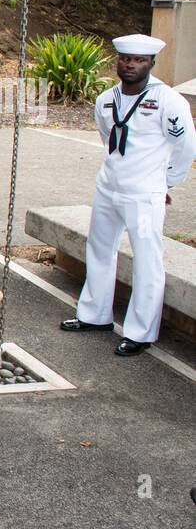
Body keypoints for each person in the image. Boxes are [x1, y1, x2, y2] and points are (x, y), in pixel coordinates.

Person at [61, 34, 195, 355]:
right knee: (99, 249)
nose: (130, 65)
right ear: (117, 61)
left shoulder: (168, 100)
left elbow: (186, 147)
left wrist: (167, 183)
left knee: (147, 260)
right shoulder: (106, 99)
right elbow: (108, 137)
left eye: (138, 60)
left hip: (144, 192)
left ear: (151, 63)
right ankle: (95, 315)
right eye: (125, 59)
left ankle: (140, 331)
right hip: (109, 186)